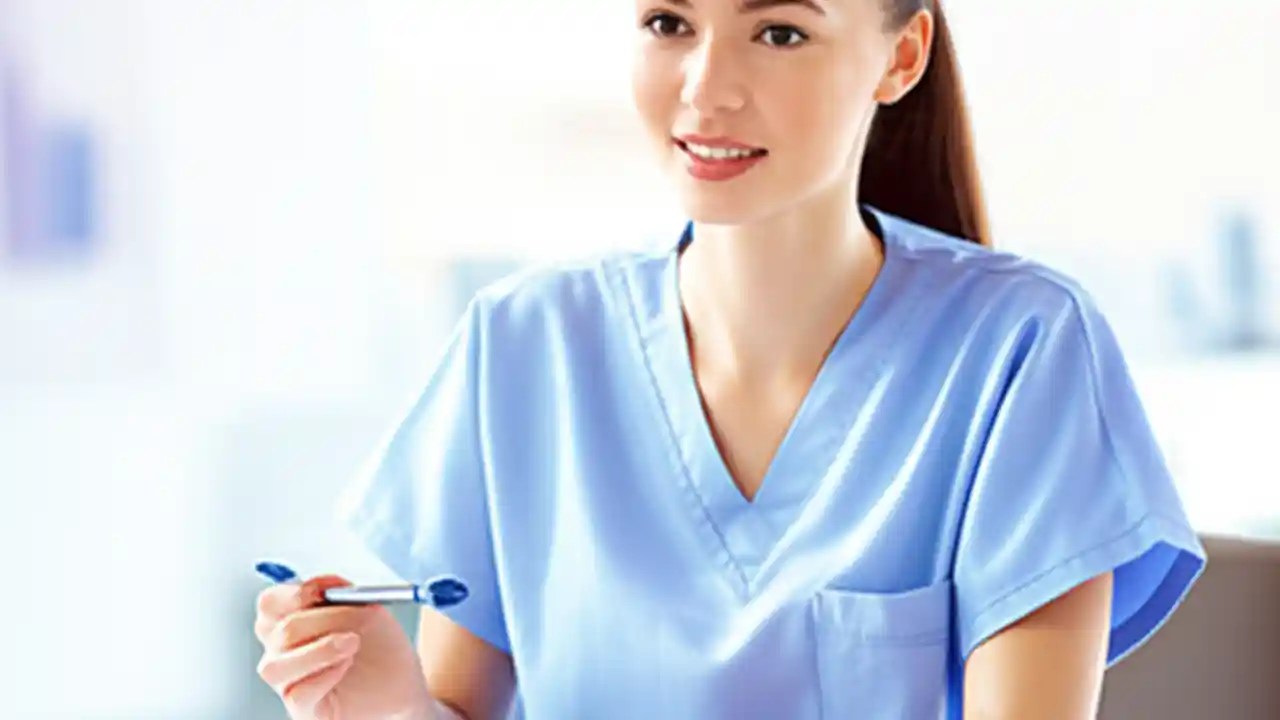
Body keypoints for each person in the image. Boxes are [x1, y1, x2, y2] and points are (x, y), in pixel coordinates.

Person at [253, 1, 1207, 718]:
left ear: (900, 56)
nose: (706, 86)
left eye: (780, 31)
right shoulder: (520, 346)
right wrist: (378, 702)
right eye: (670, 22)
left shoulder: (1020, 350)